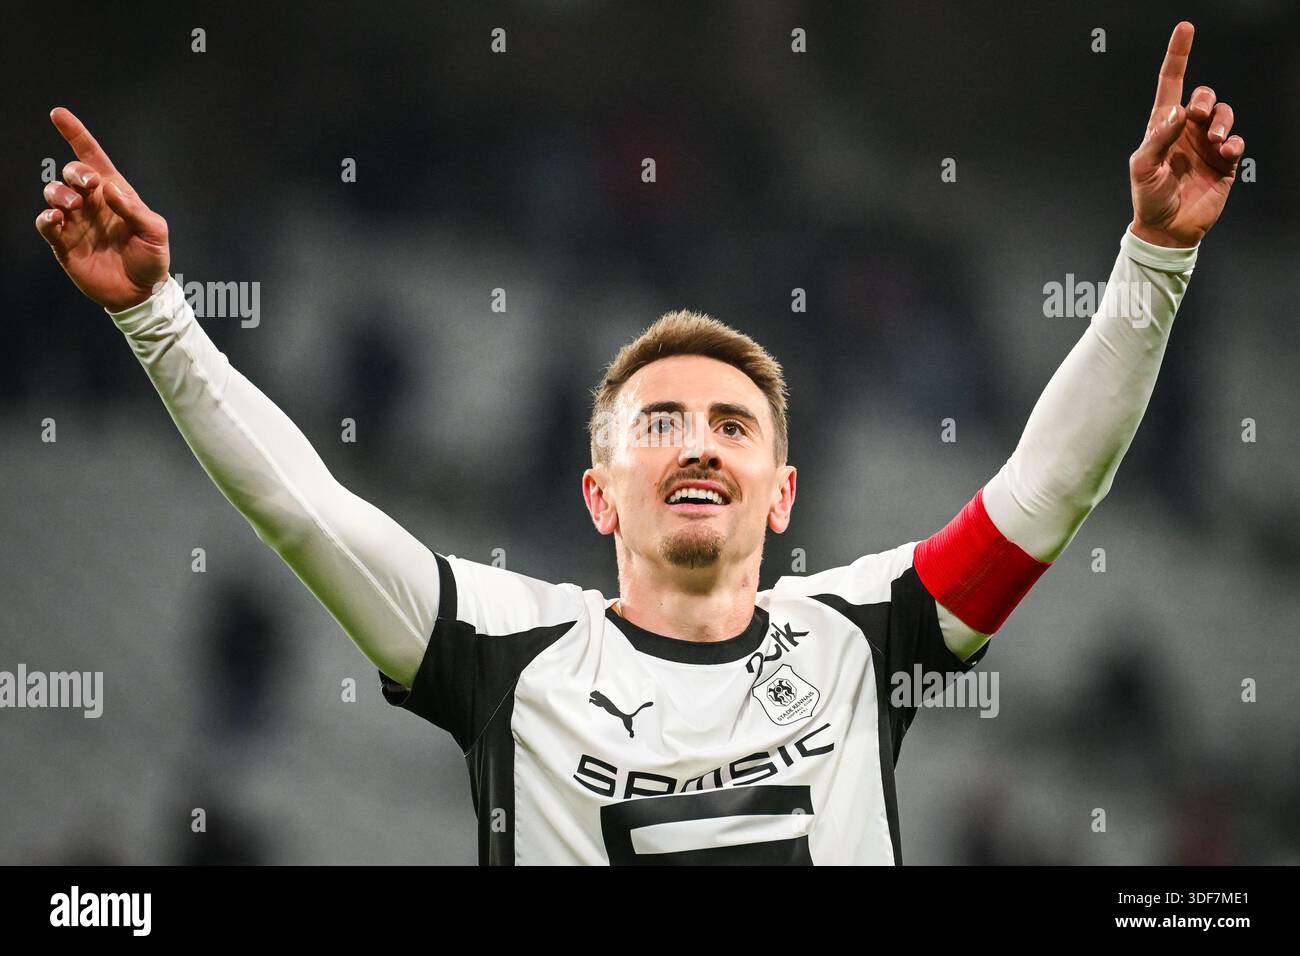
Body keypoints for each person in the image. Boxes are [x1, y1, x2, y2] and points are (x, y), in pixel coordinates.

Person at [34, 22, 1244, 864]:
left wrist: (1155, 255)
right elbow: (304, 507)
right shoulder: (503, 653)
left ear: (782, 494)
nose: (699, 444)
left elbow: (1053, 481)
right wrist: (155, 317)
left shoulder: (865, 636)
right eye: (658, 423)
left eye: (733, 424)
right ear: (598, 493)